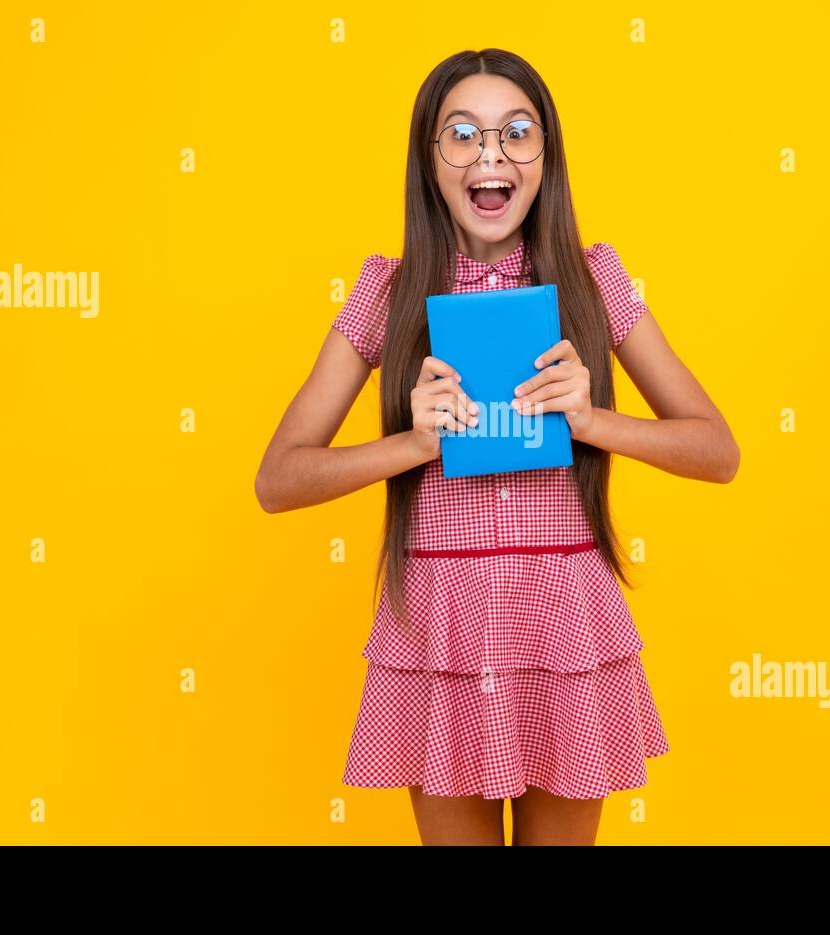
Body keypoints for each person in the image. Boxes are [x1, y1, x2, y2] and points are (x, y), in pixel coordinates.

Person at [255, 49, 740, 845]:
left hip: (565, 622)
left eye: (517, 133)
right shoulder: (387, 290)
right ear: (429, 159)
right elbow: (278, 479)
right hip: (439, 628)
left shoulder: (595, 281)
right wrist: (414, 441)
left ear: (546, 158)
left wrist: (590, 421)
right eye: (463, 135)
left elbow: (718, 450)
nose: (491, 155)